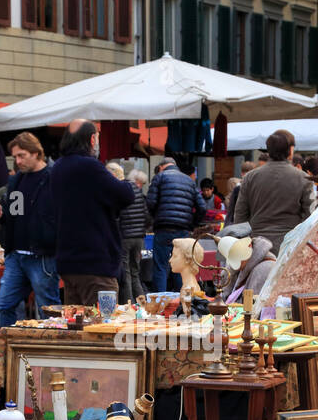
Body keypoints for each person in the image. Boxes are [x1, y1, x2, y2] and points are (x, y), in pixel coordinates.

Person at [50, 120, 135, 305]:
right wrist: (126, 182)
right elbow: (125, 195)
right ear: (92, 139)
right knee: (103, 327)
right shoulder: (90, 167)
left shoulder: (57, 168)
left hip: (68, 263)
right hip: (95, 264)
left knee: (77, 327)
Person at [0, 132, 60, 337]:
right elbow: (15, 214)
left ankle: (51, 355)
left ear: (37, 153)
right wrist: (2, 215)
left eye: (22, 155)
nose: (18, 161)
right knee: (4, 304)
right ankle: (9, 354)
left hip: (42, 255)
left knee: (49, 308)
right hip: (16, 254)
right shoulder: (17, 180)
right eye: (15, 157)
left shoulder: (53, 177)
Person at [231, 130, 313, 250]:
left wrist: (244, 246)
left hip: (257, 245)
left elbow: (240, 216)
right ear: (290, 150)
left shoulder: (250, 177)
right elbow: (310, 217)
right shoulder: (304, 179)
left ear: (269, 150)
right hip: (289, 246)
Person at [145, 156, 207, 292]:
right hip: (183, 230)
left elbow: (150, 203)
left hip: (163, 228)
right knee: (182, 266)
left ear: (161, 167)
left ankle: (160, 303)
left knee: (160, 266)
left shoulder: (159, 177)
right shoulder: (188, 181)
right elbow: (202, 207)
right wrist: (192, 223)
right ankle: (183, 302)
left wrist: (157, 217)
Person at [109, 162, 149, 302]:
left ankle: (129, 305)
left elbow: (115, 216)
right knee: (135, 273)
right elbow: (146, 213)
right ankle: (142, 304)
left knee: (125, 273)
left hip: (125, 237)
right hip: (139, 238)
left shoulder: (117, 191)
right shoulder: (136, 190)